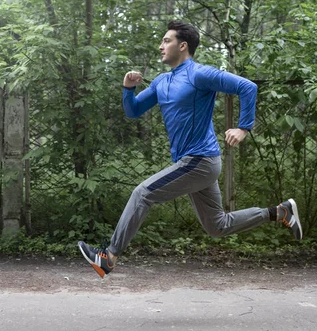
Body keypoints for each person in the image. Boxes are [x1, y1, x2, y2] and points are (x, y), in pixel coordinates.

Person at [78, 20, 302, 278]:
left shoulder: (199, 74)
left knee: (142, 194)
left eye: (166, 41)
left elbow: (247, 87)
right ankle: (280, 212)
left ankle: (109, 257)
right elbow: (134, 111)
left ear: (182, 46)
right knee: (218, 226)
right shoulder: (162, 81)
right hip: (194, 164)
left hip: (200, 159)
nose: (161, 46)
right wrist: (128, 89)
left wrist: (243, 128)